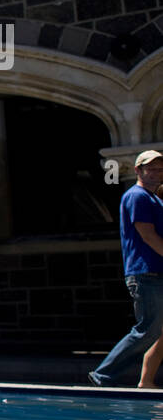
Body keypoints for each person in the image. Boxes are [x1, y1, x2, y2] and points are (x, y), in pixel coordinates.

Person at [89, 150, 163, 387]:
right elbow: (147, 235)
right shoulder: (137, 196)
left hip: (156, 272)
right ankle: (103, 375)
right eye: (150, 168)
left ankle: (146, 381)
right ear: (138, 170)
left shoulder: (155, 199)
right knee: (147, 329)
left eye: (160, 169)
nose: (155, 173)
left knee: (157, 330)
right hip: (146, 273)